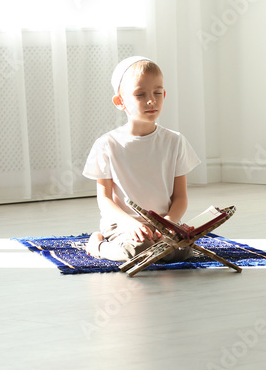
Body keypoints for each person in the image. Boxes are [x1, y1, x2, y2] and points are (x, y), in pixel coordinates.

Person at [82, 56, 200, 262]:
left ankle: (163, 241)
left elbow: (180, 197)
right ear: (120, 101)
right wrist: (130, 224)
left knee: (181, 252)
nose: (151, 101)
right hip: (123, 224)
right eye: (140, 94)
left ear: (164, 94)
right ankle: (97, 245)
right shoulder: (107, 144)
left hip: (164, 225)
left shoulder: (175, 141)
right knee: (138, 251)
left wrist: (170, 223)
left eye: (157, 93)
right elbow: (105, 199)